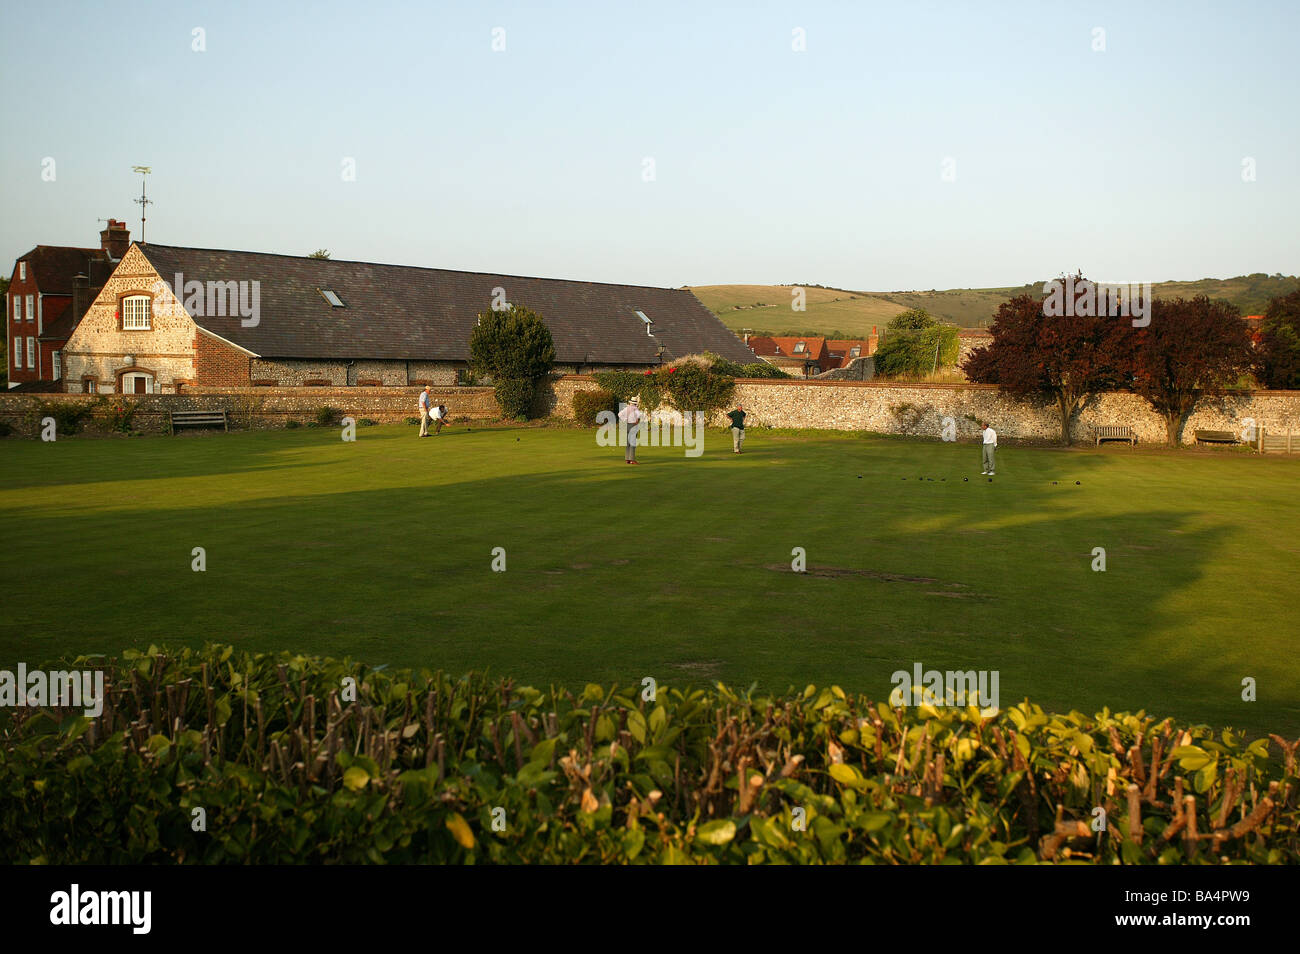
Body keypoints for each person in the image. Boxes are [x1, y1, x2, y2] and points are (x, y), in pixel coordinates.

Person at [617, 395, 642, 464]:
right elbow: (639, 416)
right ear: (635, 403)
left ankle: (627, 458)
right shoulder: (635, 408)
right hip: (633, 425)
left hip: (627, 425)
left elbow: (619, 414)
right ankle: (632, 459)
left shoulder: (627, 408)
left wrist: (625, 419)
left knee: (628, 443)